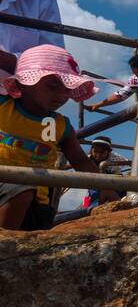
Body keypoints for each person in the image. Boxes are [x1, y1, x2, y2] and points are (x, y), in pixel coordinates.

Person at [0, 46, 103, 230]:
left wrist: (105, 188)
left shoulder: (60, 126)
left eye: (67, 88)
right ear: (23, 83)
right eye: (53, 86)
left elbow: (82, 162)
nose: (62, 95)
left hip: (34, 205)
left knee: (22, 188)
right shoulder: (3, 107)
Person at [80, 136, 128, 210]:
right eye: (95, 152)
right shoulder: (88, 159)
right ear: (91, 150)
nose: (98, 155)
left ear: (109, 152)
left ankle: (122, 203)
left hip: (113, 184)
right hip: (95, 186)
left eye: (102, 152)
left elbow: (118, 176)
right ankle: (86, 208)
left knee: (121, 192)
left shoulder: (114, 160)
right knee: (88, 199)